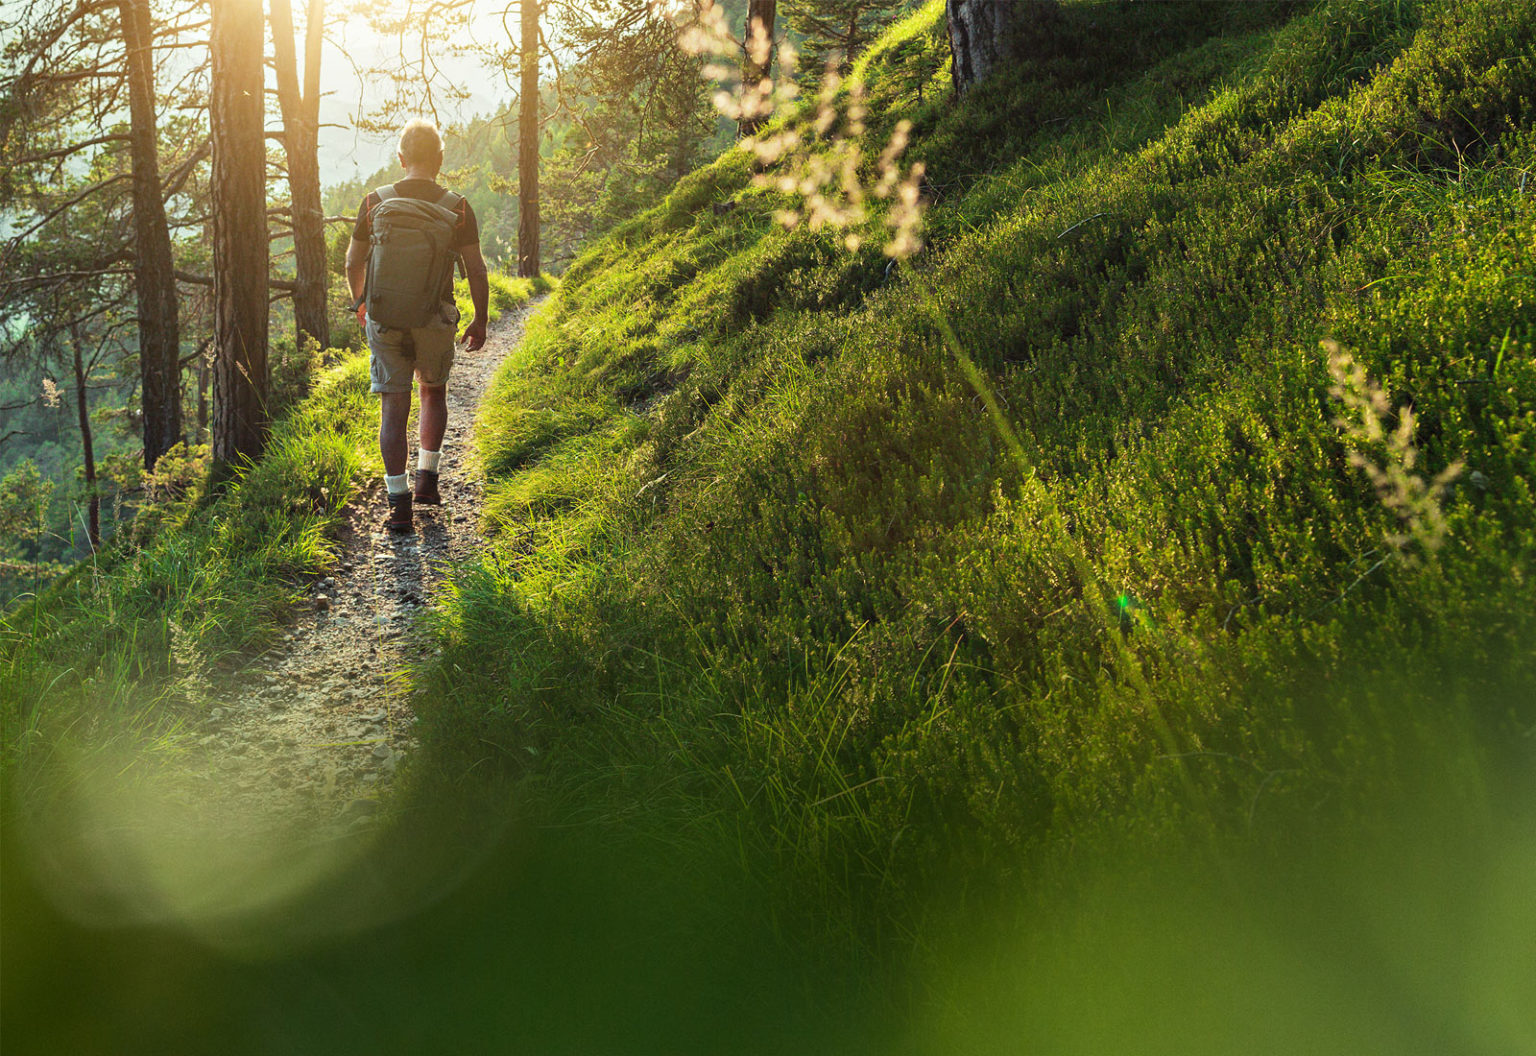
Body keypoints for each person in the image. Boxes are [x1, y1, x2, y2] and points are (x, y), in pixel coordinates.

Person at [346, 118, 490, 533]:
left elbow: (353, 261)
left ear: (401, 157)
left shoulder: (375, 200)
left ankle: (398, 503)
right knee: (432, 391)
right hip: (434, 316)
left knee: (393, 405)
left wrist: (362, 302)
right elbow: (476, 271)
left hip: (385, 318)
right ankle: (427, 479)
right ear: (440, 160)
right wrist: (479, 319)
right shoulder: (457, 206)